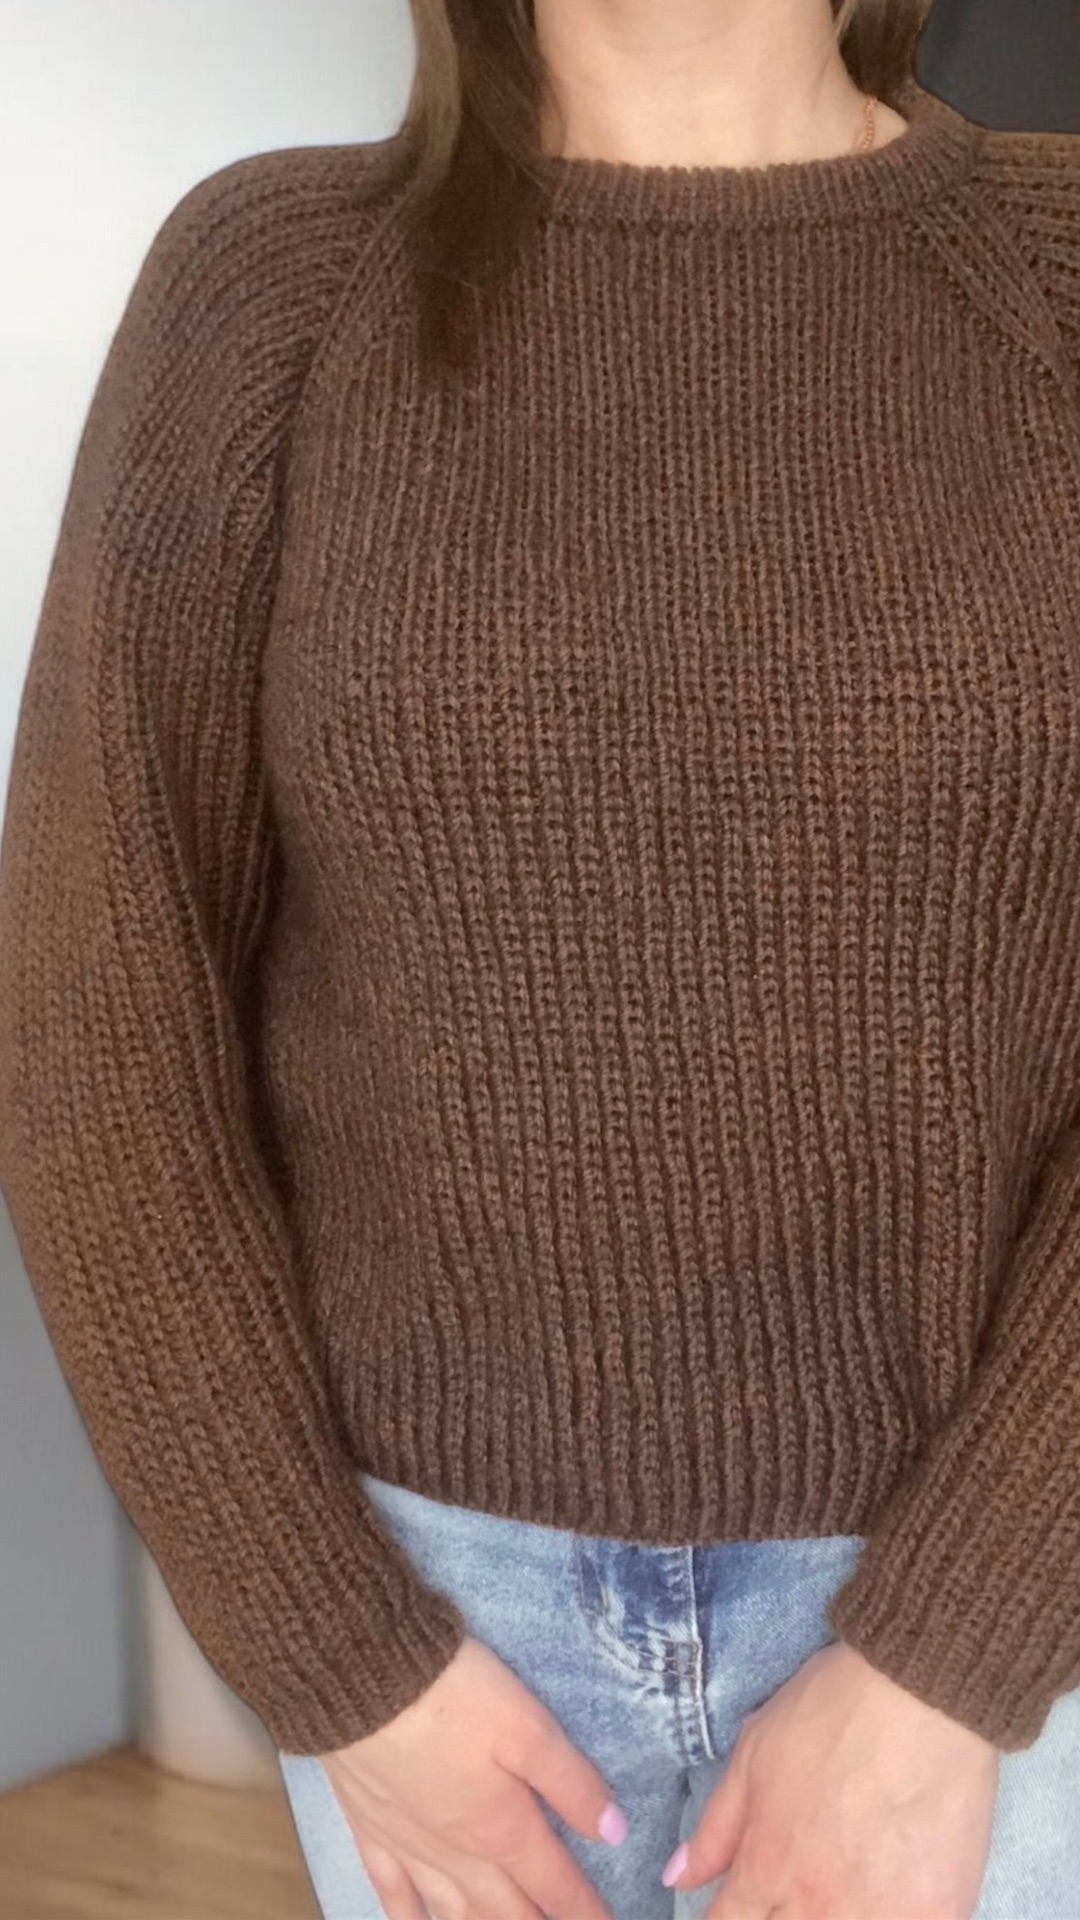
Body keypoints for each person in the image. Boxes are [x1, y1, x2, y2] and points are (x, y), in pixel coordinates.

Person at [2, 0, 1080, 1914]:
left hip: (992, 1618)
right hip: (434, 1627)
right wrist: (338, 1655)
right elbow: (93, 1011)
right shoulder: (271, 286)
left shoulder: (1056, 281)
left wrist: (964, 1642)